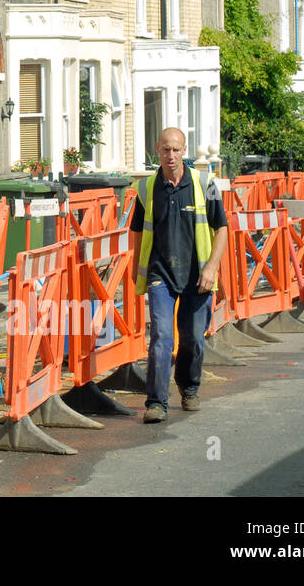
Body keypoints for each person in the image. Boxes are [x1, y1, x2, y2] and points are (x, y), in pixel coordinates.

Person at [128, 127, 229, 423]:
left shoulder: (205, 184)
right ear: (157, 150)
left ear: (184, 151)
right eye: (164, 150)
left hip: (198, 275)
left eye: (175, 150)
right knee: (161, 336)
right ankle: (156, 402)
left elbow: (222, 228)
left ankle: (188, 388)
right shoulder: (146, 189)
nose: (170, 156)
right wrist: (138, 269)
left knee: (193, 339)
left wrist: (212, 267)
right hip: (161, 272)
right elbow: (137, 232)